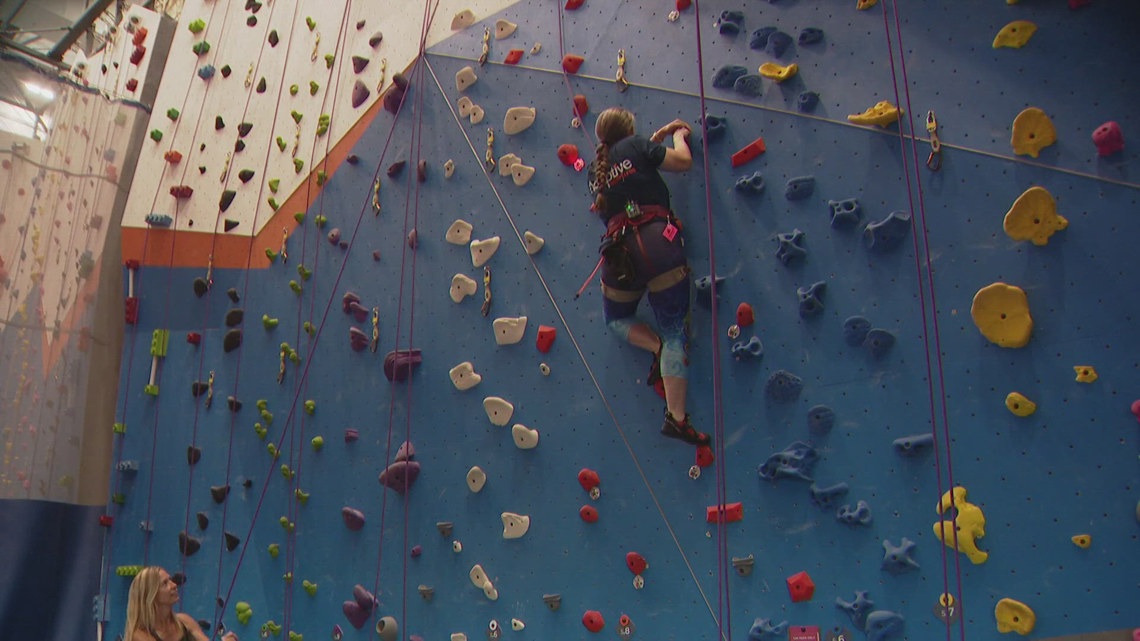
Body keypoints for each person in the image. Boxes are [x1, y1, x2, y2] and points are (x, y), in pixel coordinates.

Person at [588, 106, 709, 447]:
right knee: (675, 332)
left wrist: (654, 139)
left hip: (618, 254)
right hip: (658, 242)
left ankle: (654, 347)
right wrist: (679, 136)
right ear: (630, 128)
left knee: (616, 319)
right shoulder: (637, 147)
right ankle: (677, 417)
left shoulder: (595, 172)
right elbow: (680, 163)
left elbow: (627, 173)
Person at [124, 566, 238, 641]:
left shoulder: (184, 621)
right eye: (165, 583)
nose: (174, 585)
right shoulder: (139, 635)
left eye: (170, 580)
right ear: (151, 595)